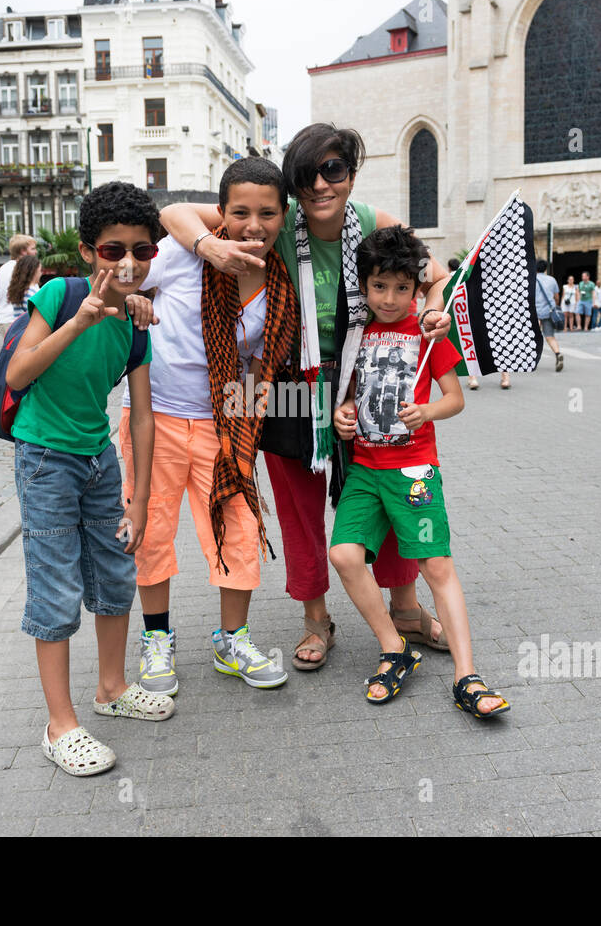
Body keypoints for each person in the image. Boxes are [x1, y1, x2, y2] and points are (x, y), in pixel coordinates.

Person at [158, 123, 454, 673]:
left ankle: (406, 608)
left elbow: (436, 276)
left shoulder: (372, 223)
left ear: (351, 175)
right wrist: (210, 246)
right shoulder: (271, 219)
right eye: (307, 174)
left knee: (389, 494)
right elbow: (172, 212)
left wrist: (433, 306)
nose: (321, 184)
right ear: (292, 184)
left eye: (334, 170)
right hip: (291, 389)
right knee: (299, 511)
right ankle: (316, 617)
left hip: (366, 386)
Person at [4, 181, 168, 778]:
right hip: (46, 458)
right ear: (86, 252)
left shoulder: (139, 320)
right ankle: (60, 724)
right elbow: (20, 373)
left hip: (100, 460)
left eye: (141, 251)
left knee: (116, 571)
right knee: (54, 583)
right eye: (112, 249)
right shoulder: (57, 294)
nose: (127, 262)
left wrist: (141, 498)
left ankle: (112, 687)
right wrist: (78, 320)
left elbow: (143, 413)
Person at [118, 157, 297, 696]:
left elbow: (261, 359)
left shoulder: (282, 278)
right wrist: (131, 297)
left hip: (226, 421)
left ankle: (231, 638)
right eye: (240, 212)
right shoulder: (185, 253)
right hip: (157, 418)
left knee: (239, 528)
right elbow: (134, 265)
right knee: (149, 527)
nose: (253, 225)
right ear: (221, 213)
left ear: (284, 215)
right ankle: (156, 640)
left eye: (268, 212)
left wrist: (251, 414)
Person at [328, 225, 509, 718]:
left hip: (414, 475)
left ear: (416, 288)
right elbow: (347, 396)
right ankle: (395, 647)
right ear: (364, 286)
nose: (390, 298)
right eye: (379, 286)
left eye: (402, 288)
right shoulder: (354, 335)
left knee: (437, 567)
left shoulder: (429, 334)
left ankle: (466, 675)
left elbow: (454, 400)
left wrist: (428, 412)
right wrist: (343, 415)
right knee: (344, 555)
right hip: (365, 469)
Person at [0, 234, 37, 329]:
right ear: (23, 251)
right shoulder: (25, 268)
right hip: (21, 321)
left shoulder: (2, 269)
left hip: (3, 322)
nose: (36, 252)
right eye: (33, 249)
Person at [448, 258, 479, 390]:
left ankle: (473, 378)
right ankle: (505, 377)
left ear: (449, 267)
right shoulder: (467, 277)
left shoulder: (448, 278)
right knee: (473, 344)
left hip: (457, 317)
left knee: (465, 345)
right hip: (471, 314)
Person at [534, 259, 564, 371]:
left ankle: (533, 360)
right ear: (545, 268)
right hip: (548, 312)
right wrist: (554, 305)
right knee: (550, 336)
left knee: (533, 337)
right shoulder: (552, 280)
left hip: (535, 312)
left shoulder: (531, 280)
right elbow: (556, 297)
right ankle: (557, 353)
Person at [0, 253, 42, 327]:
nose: (41, 273)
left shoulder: (21, 290)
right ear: (33, 271)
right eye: (40, 270)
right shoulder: (30, 292)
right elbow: (36, 317)